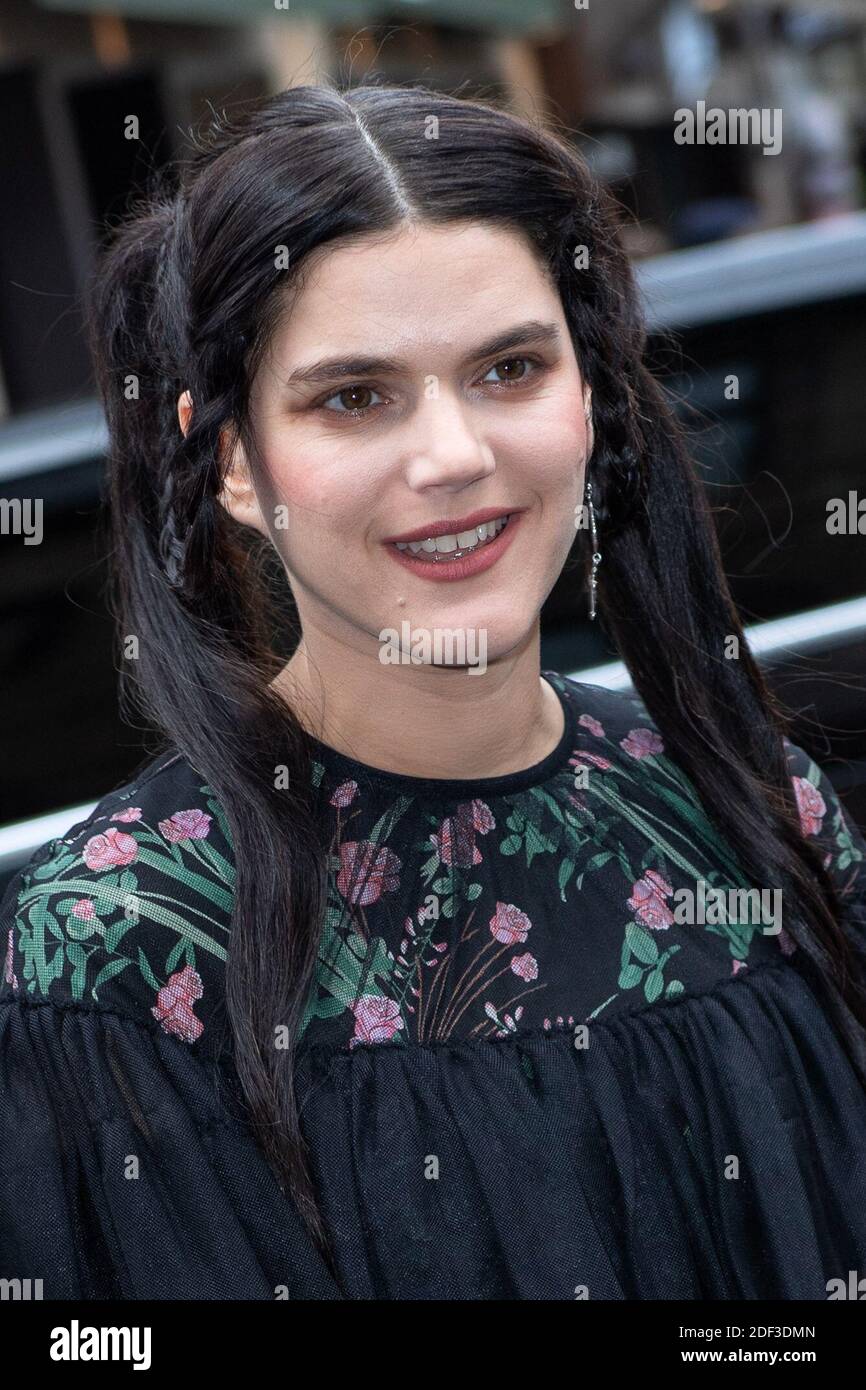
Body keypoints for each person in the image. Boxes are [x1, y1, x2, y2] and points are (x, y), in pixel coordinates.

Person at [2, 82, 866, 1301]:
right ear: (235, 462)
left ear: (588, 399)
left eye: (508, 367)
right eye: (354, 397)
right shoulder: (124, 940)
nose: (454, 457)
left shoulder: (752, 811)